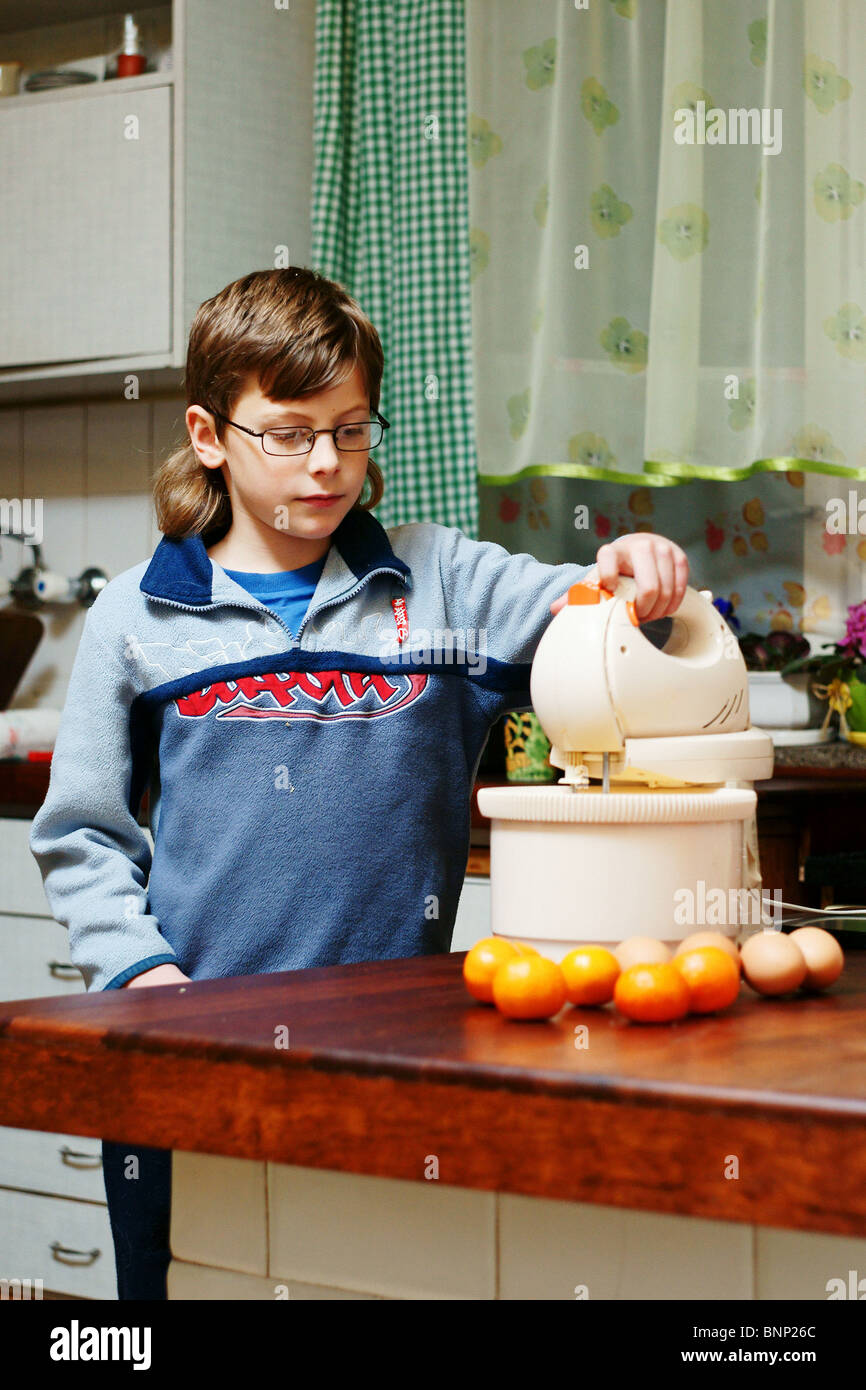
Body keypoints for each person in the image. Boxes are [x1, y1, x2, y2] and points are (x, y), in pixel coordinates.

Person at [29, 267, 689, 1299]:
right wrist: (147, 984)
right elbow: (82, 835)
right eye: (287, 432)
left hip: (390, 1062)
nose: (325, 463)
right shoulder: (133, 617)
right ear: (209, 433)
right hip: (189, 1044)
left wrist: (630, 569)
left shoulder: (444, 582)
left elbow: (600, 617)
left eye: (349, 429)